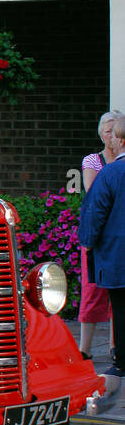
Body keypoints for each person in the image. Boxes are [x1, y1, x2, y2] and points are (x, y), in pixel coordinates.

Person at [78, 115, 125, 379]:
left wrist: (88, 241)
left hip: (115, 252)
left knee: (119, 305)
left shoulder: (109, 172)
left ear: (119, 140)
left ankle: (121, 359)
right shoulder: (100, 165)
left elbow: (94, 211)